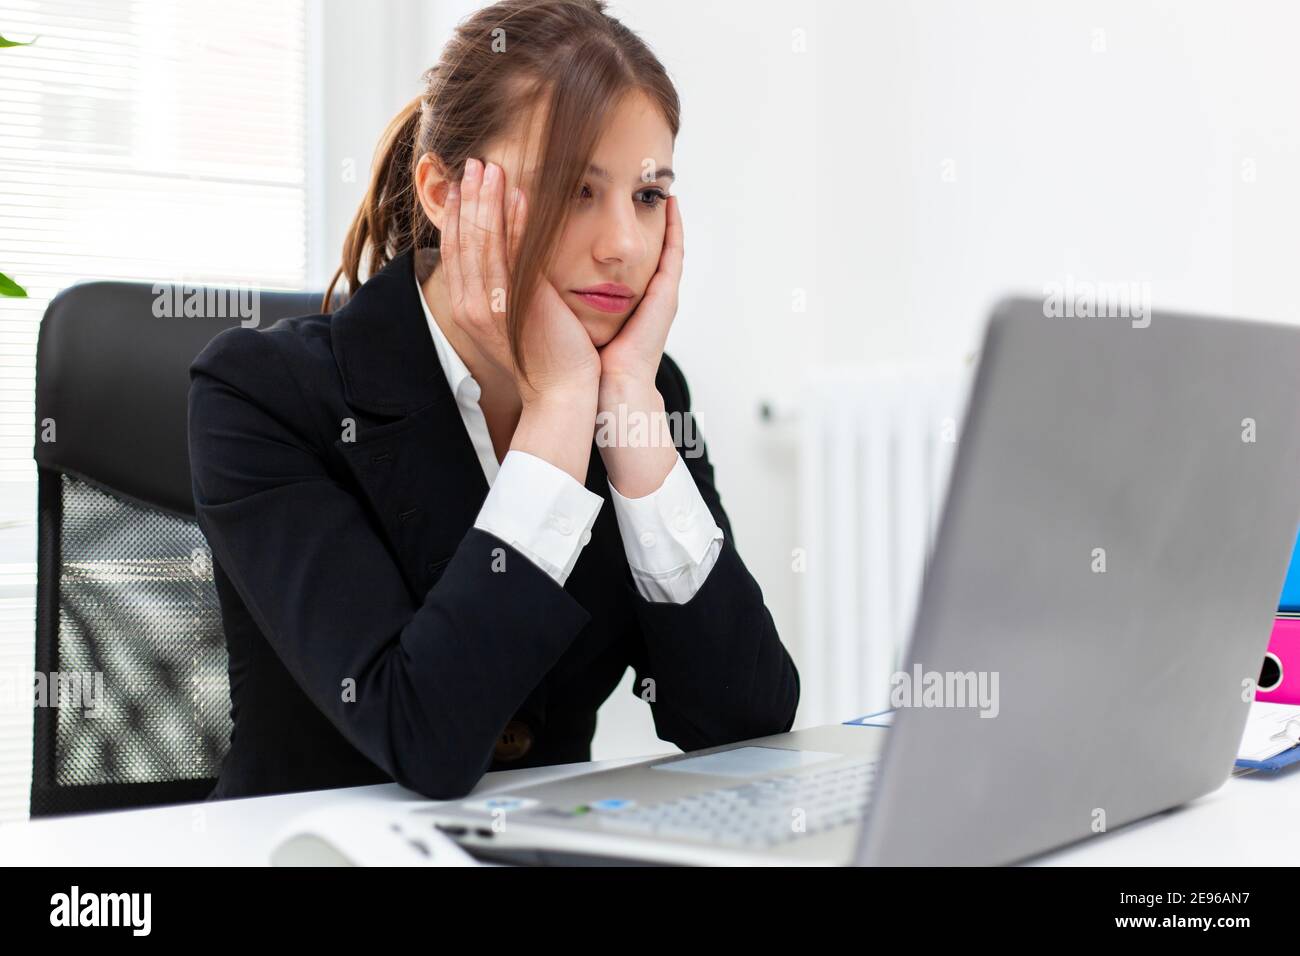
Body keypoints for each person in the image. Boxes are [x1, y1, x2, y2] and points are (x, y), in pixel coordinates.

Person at [187, 0, 799, 801]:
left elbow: (746, 728)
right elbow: (426, 738)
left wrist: (630, 426)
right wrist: (557, 412)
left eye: (648, 196)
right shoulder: (263, 397)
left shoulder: (645, 395)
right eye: (578, 189)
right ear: (444, 192)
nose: (621, 243)